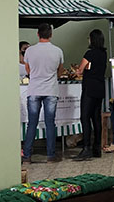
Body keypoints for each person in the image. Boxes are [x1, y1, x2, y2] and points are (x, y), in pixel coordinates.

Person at [22, 23, 65, 164]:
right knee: (50, 123)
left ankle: (27, 155)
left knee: (32, 123)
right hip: (51, 90)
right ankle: (51, 155)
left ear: (37, 34)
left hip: (34, 89)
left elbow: (28, 70)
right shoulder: (57, 51)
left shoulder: (29, 51)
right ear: (51, 34)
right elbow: (60, 70)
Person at [73, 28, 107, 161]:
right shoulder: (103, 53)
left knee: (85, 117)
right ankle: (96, 148)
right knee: (96, 118)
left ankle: (86, 148)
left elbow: (80, 70)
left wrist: (77, 70)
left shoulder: (89, 53)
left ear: (92, 39)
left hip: (89, 89)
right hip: (100, 88)